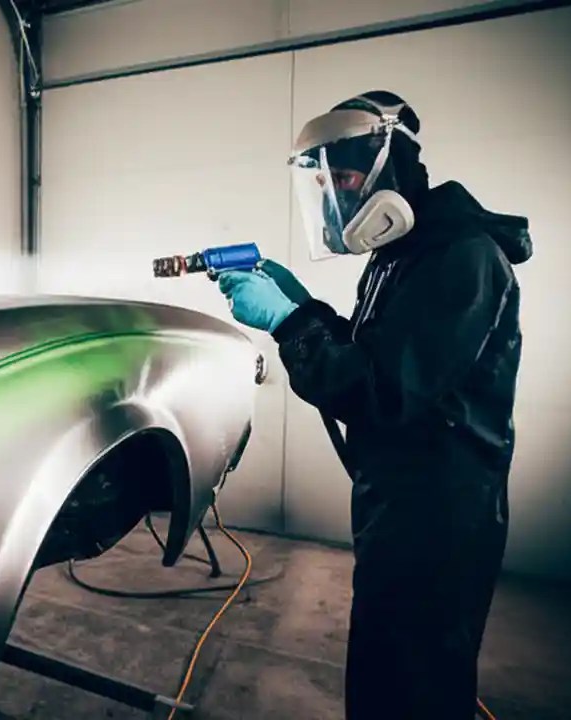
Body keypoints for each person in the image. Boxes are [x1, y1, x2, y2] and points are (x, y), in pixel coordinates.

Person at [217, 90, 532, 719]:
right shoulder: (406, 254)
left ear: (392, 169)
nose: (338, 196)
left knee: (414, 685)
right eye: (326, 182)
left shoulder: (462, 258)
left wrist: (288, 325)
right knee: (387, 671)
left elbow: (383, 393)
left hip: (439, 515)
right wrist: (304, 309)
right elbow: (376, 356)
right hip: (404, 502)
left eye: (348, 176)